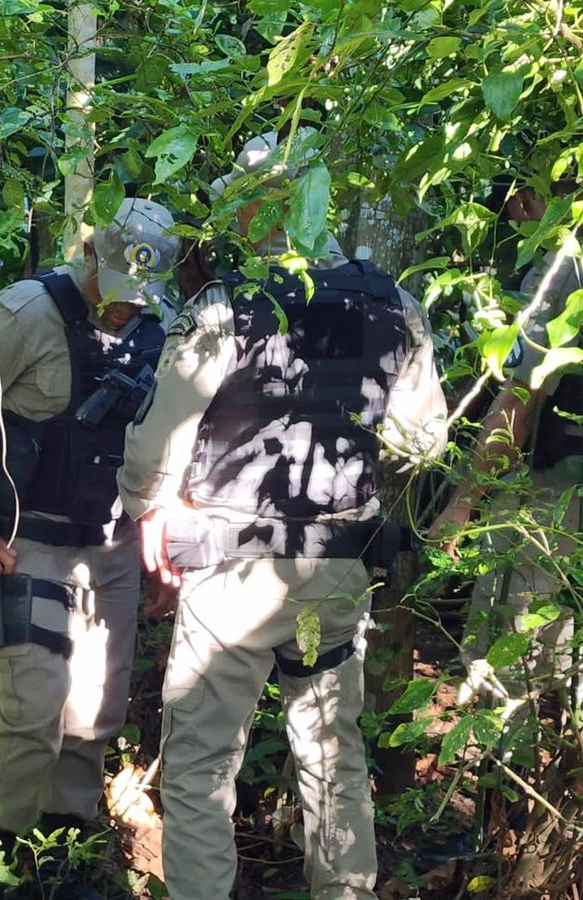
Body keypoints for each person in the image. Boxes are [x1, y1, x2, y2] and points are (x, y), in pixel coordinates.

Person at [118, 132, 448, 900]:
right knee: (333, 752)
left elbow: (159, 438)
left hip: (231, 568)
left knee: (200, 764)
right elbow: (423, 440)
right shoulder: (394, 305)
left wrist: (149, 509)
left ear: (258, 205)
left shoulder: (225, 307)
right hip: (336, 567)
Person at [0, 199, 179, 875]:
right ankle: (1, 863)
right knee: (33, 713)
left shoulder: (163, 329)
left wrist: (161, 544)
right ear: (92, 253)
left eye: (141, 298)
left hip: (113, 550)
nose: (127, 309)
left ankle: (64, 860)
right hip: (25, 544)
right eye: (120, 291)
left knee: (93, 718)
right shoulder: (16, 315)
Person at [430, 181, 582, 712]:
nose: (516, 213)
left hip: (557, 491)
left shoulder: (565, 267)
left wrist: (463, 502)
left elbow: (521, 396)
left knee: (512, 670)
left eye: (524, 198)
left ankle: (508, 776)